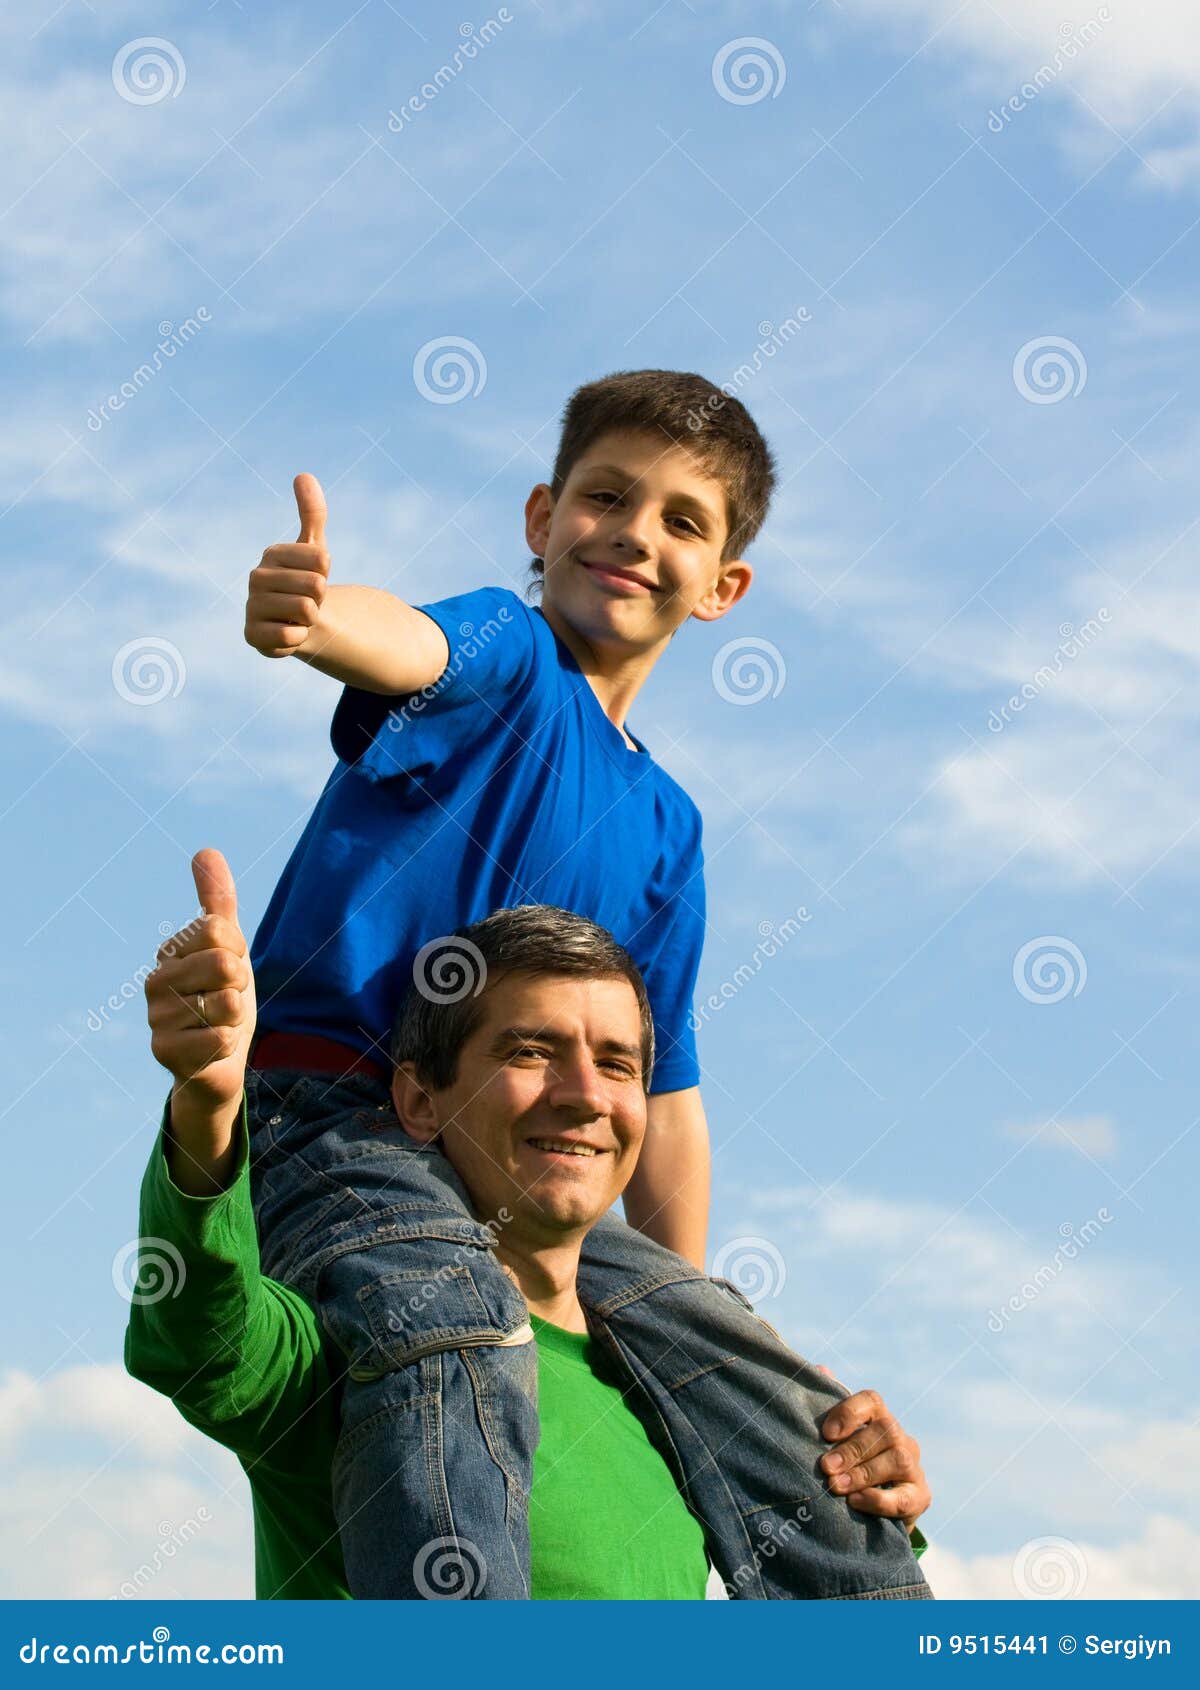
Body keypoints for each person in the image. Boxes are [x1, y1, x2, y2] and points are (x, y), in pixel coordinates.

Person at [226, 367, 918, 1595]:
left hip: (529, 1179)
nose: (634, 535)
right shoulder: (511, 660)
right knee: (455, 1325)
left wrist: (676, 1317)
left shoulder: (669, 828)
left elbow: (672, 1093)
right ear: (544, 518)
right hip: (340, 1126)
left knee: (791, 1412)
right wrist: (318, 615)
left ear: (723, 588)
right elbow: (412, 643)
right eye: (607, 495)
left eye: (682, 521)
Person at [129, 851, 933, 1600]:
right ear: (418, 1101)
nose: (584, 1094)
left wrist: (864, 1480)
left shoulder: (680, 1393)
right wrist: (207, 1108)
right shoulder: (371, 1338)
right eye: (530, 1052)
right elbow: (203, 1336)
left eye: (617, 1064)